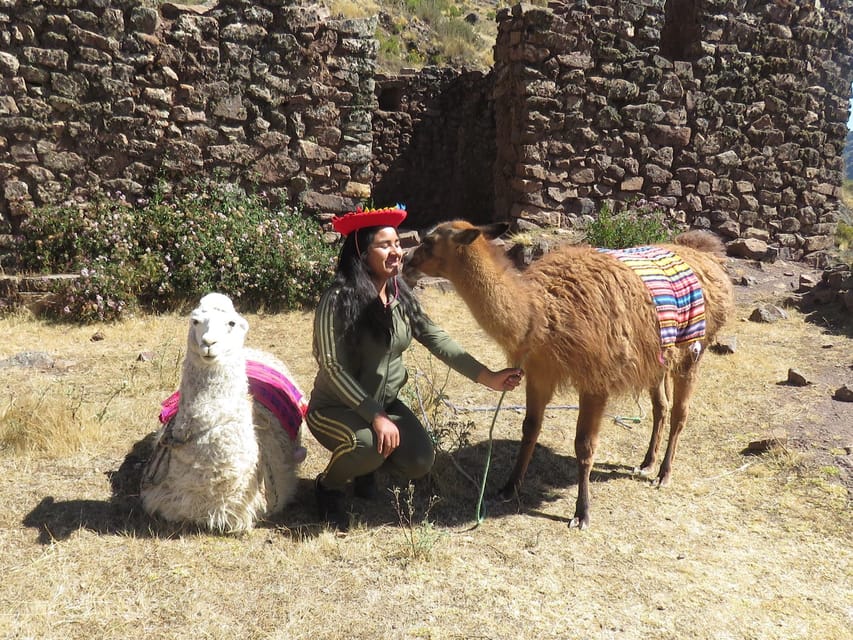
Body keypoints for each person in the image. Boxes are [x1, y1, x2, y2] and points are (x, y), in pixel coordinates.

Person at [307, 205, 524, 532]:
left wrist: (488, 377)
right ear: (361, 252)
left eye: (397, 243)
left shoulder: (399, 294)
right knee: (365, 445)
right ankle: (329, 487)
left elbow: (436, 338)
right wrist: (376, 417)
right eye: (385, 245)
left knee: (420, 460)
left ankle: (368, 467)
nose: (396, 252)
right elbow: (333, 368)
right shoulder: (337, 300)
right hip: (336, 408)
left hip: (385, 406)